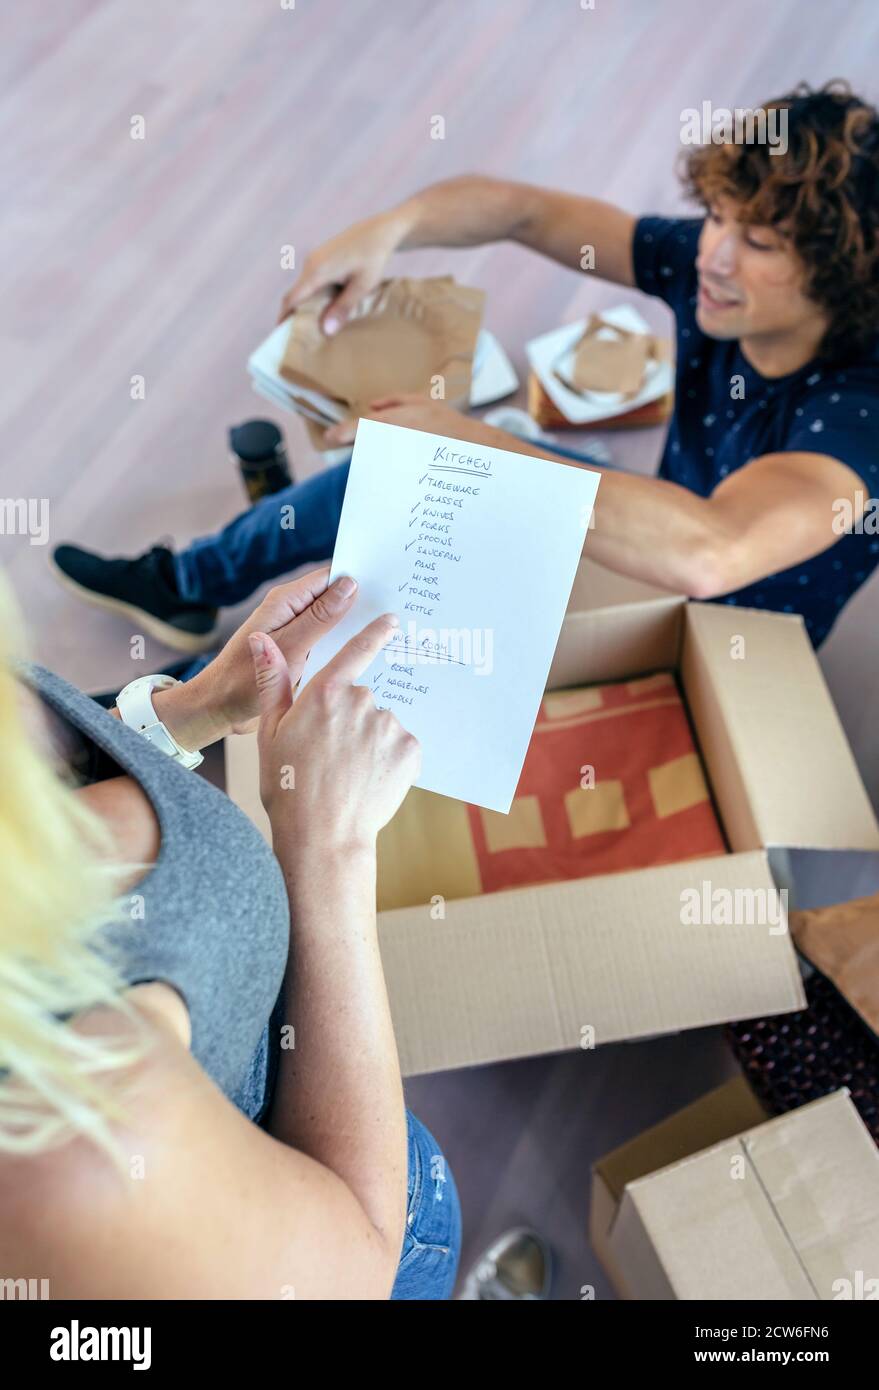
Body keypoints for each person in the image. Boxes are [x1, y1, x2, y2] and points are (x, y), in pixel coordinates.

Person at [53, 81, 879, 650]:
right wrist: (393, 227)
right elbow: (521, 209)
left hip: (716, 628)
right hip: (647, 528)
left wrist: (467, 446)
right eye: (716, 217)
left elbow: (711, 553)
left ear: (842, 275)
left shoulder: (858, 413)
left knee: (376, 617)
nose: (712, 255)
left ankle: (148, 724)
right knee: (388, 475)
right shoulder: (718, 281)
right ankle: (188, 585)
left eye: (757, 243)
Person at [0, 567, 461, 1299]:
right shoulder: (60, 1142)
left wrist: (196, 708)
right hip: (384, 1232)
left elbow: (45, 805)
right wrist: (327, 839)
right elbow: (358, 1262)